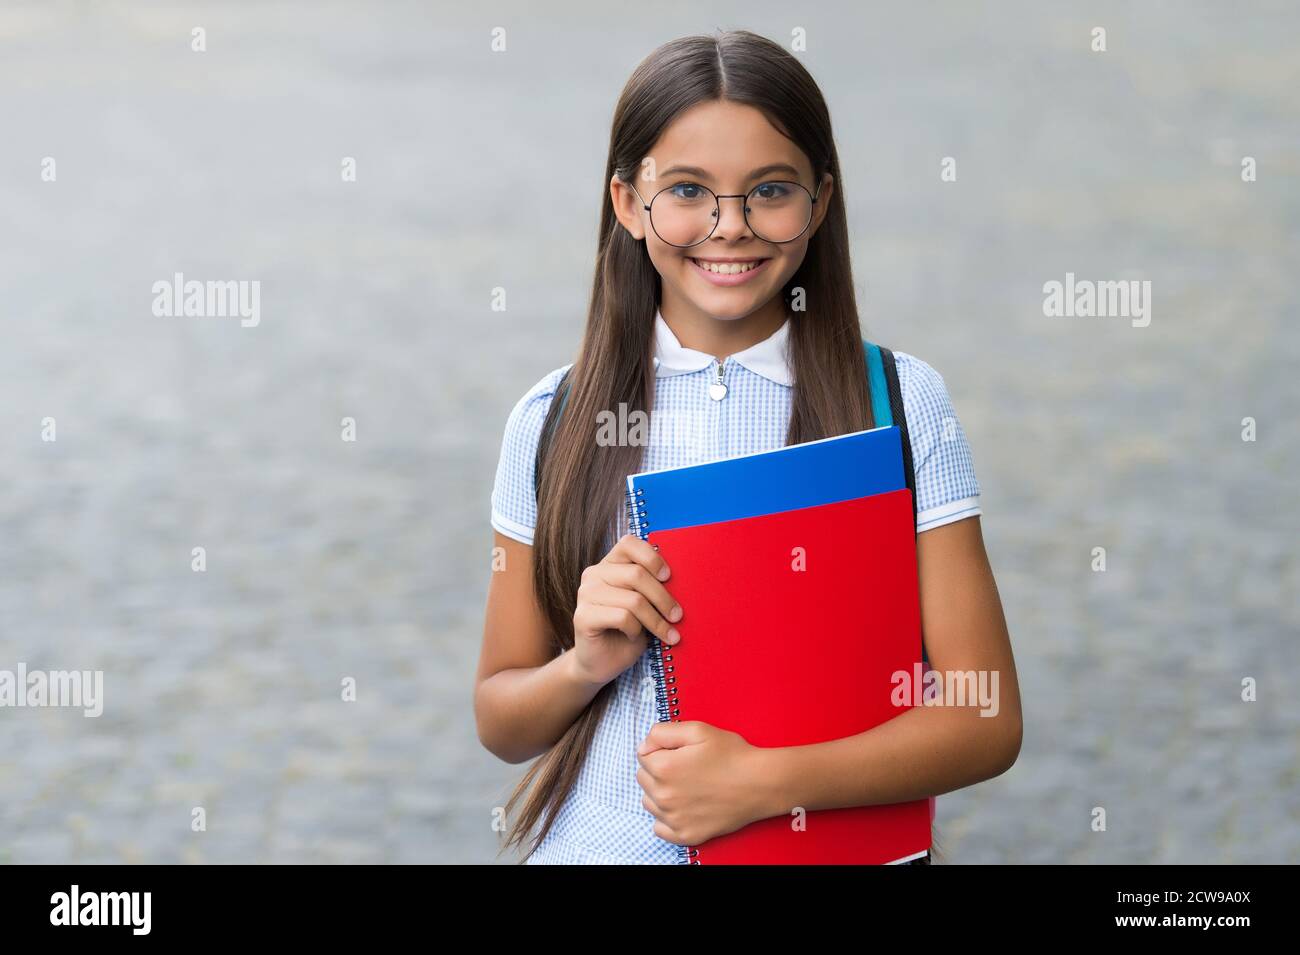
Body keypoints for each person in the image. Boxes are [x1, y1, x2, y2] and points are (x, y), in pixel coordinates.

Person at [475, 29, 1021, 864]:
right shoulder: (551, 417)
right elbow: (500, 716)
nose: (729, 228)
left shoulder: (900, 403)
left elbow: (986, 717)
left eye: (770, 191)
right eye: (688, 190)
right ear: (626, 202)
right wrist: (582, 664)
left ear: (822, 200)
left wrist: (762, 781)